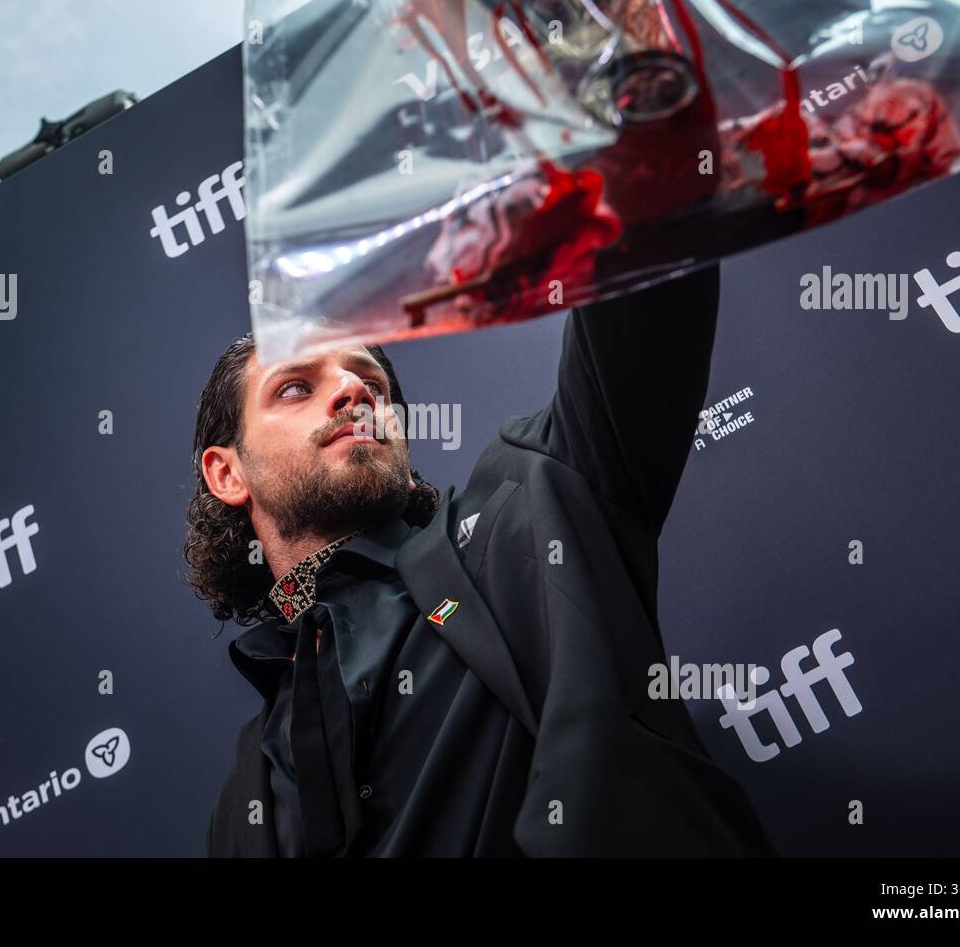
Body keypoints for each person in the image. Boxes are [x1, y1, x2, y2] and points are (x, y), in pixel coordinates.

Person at [189, 264, 777, 856]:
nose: (353, 391)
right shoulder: (239, 808)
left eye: (372, 381)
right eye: (295, 387)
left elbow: (645, 292)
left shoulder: (531, 501)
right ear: (227, 472)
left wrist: (608, 187)